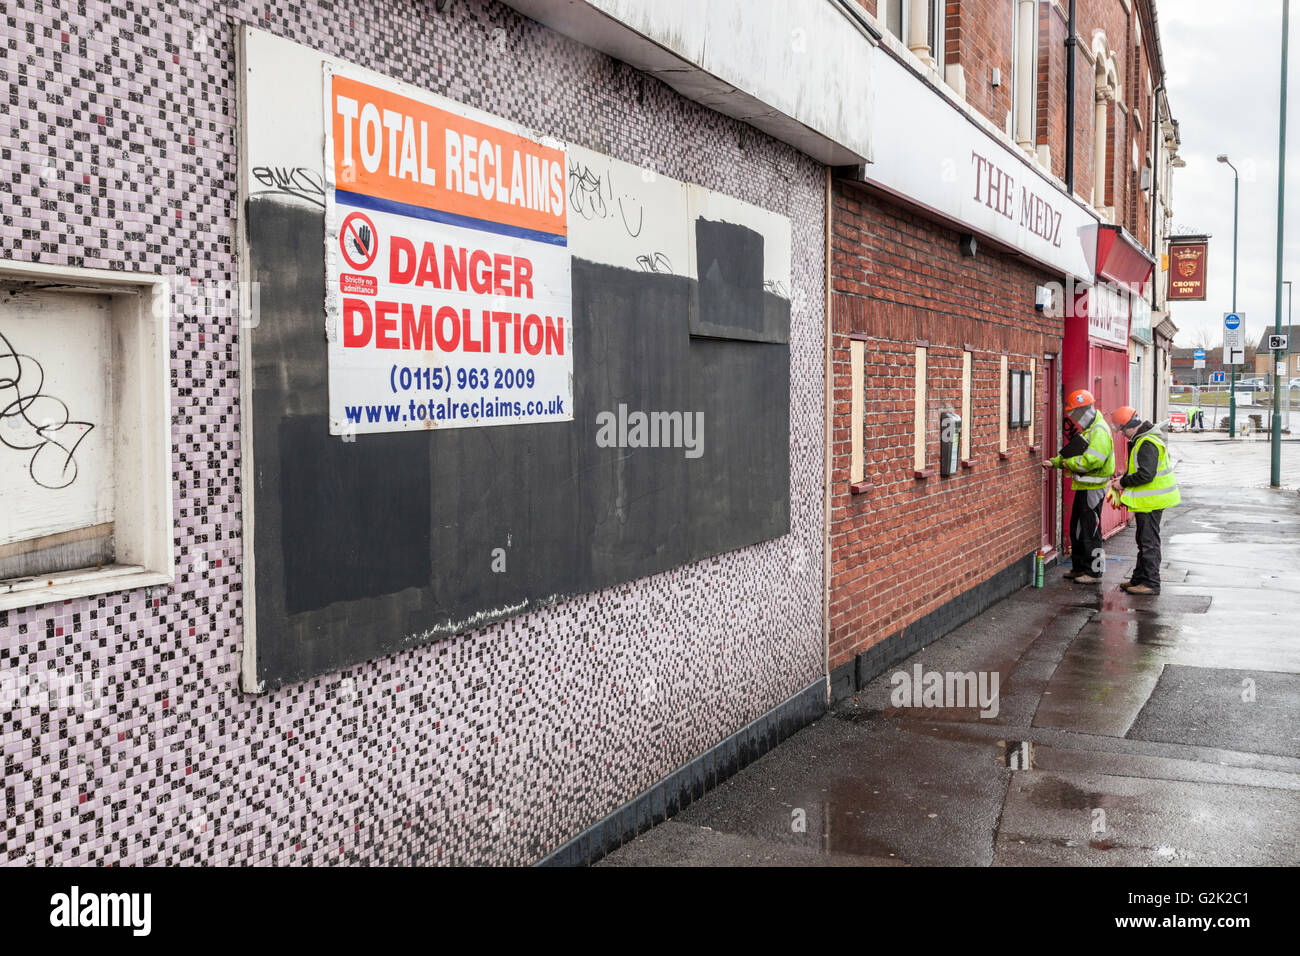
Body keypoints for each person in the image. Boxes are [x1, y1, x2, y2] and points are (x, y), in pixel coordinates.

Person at [1043, 389, 1115, 584]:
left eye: (1076, 413)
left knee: (1091, 530)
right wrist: (1056, 462)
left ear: (1087, 409)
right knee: (1078, 528)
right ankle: (1080, 567)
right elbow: (1076, 451)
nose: (1075, 418)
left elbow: (1091, 461)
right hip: (1084, 488)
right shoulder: (1091, 429)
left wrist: (1065, 464)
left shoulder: (1098, 430)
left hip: (1093, 489)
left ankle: (1094, 573)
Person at [1107, 406, 1181, 594]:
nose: (1122, 435)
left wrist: (1122, 482)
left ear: (1130, 427)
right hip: (1149, 501)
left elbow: (1146, 475)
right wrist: (1125, 477)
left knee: (1148, 542)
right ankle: (1139, 578)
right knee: (1143, 540)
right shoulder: (1144, 439)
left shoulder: (1147, 442)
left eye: (1122, 430)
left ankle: (1150, 583)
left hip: (1152, 502)